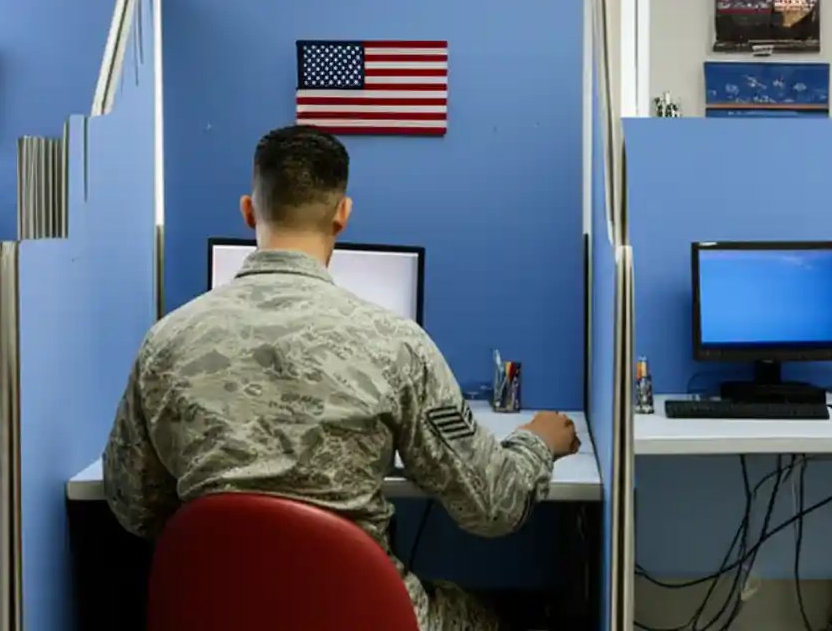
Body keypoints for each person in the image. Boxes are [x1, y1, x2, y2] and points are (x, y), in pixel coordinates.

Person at [103, 124, 580, 631]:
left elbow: (132, 504)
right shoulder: (397, 345)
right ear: (343, 214)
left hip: (211, 611)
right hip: (361, 614)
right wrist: (536, 444)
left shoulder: (166, 342)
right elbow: (492, 505)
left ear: (248, 210)